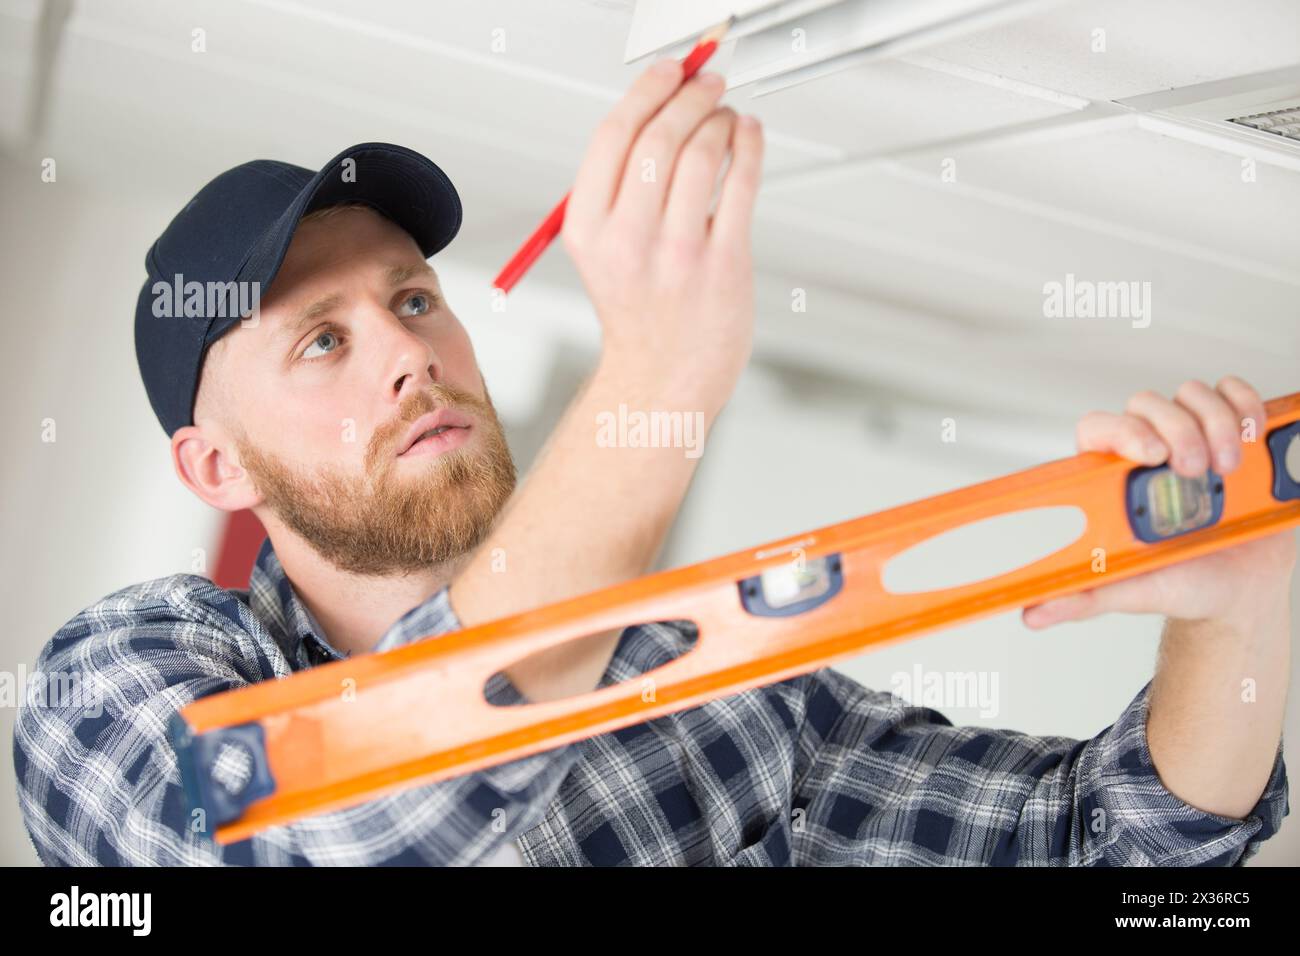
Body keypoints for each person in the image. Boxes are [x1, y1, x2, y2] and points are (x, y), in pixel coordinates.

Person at [12, 61, 1291, 866]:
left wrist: (1235, 616)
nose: (406, 358)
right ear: (215, 467)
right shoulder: (117, 683)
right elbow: (336, 838)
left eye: (410, 302)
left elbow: (1108, 847)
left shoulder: (715, 686)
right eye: (322, 340)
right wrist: (660, 379)